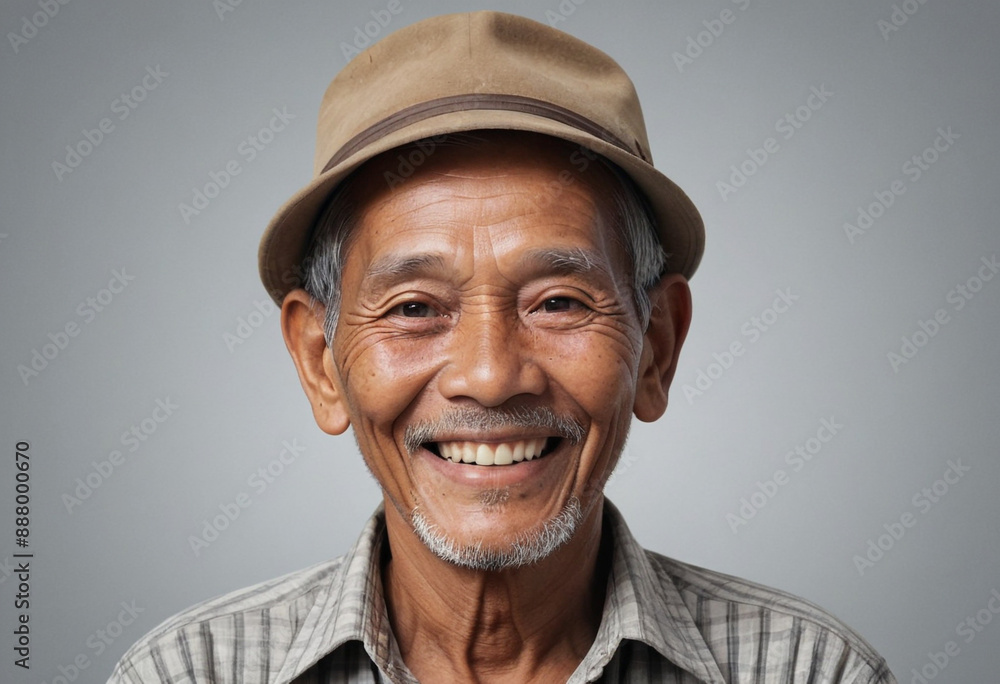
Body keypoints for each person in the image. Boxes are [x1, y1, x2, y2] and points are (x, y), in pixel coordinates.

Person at [109, 11, 897, 684]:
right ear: (320, 360)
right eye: (415, 307)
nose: (489, 377)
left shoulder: (807, 670)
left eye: (557, 302)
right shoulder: (187, 672)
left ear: (655, 347)